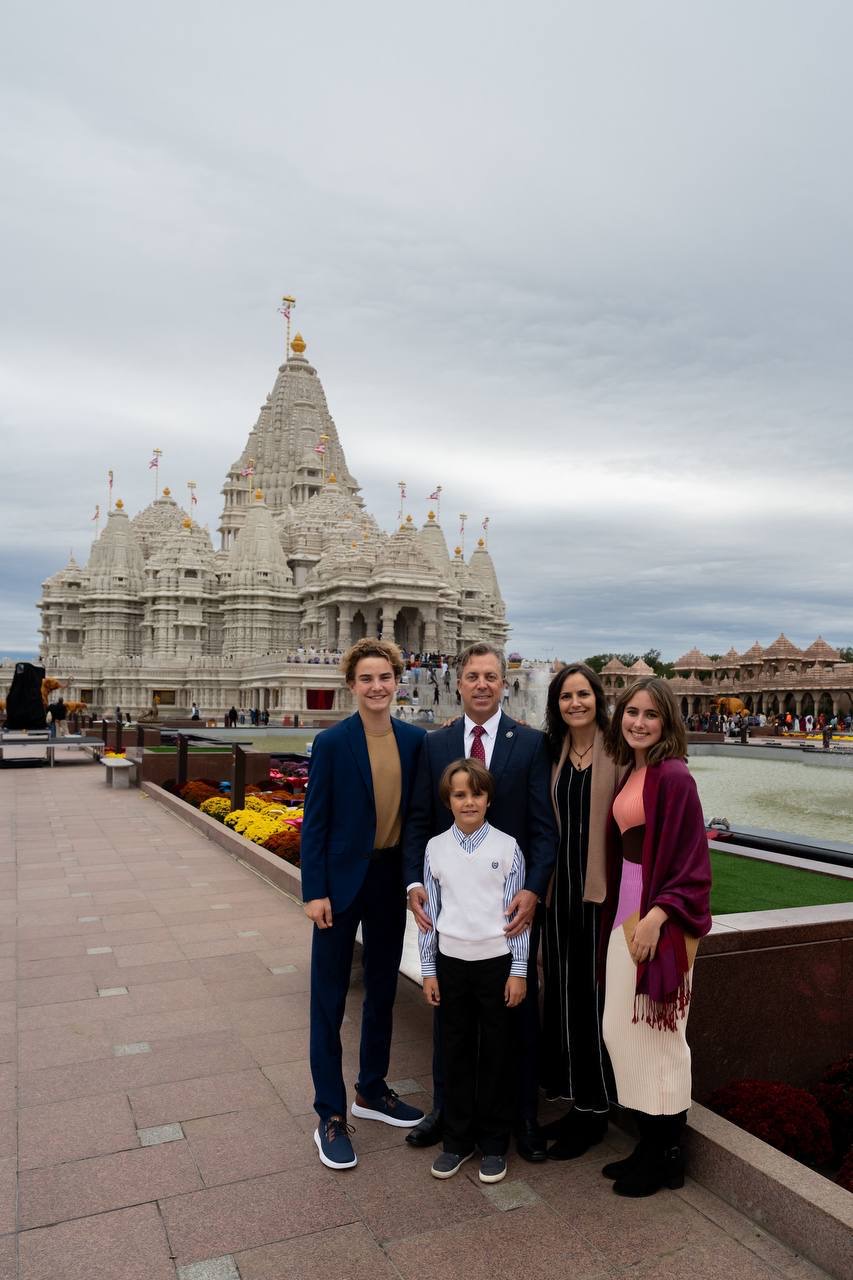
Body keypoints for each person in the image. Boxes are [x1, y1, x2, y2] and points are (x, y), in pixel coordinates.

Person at [403, 642, 557, 1161]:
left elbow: (542, 828)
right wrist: (414, 884)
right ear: (460, 682)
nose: (483, 684)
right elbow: (420, 824)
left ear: (504, 683)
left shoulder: (529, 743)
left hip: (509, 911)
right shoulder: (435, 744)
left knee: (515, 1018)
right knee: (452, 1022)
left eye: (492, 675)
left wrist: (534, 889)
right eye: (473, 676)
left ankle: (523, 1118)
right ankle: (449, 1112)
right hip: (454, 914)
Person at [301, 638, 426, 1171]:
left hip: (386, 878)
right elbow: (316, 822)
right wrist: (314, 891)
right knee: (328, 1000)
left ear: (397, 682)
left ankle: (371, 1091)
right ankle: (330, 1113)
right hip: (340, 881)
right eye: (367, 678)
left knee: (381, 989)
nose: (377, 687)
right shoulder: (332, 744)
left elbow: (420, 817)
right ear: (352, 685)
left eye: (386, 677)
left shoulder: (415, 741)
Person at [600, 677, 711, 1198]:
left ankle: (668, 1156)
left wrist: (659, 915)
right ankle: (649, 1145)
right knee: (621, 1034)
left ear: (667, 721)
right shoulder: (635, 770)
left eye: (650, 714)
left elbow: (692, 860)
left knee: (660, 1041)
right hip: (624, 916)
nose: (638, 721)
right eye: (631, 712)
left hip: (656, 924)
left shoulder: (674, 777)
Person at [419, 759, 529, 1184]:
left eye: (477, 794)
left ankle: (494, 1143)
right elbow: (429, 913)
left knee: (497, 1053)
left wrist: (517, 970)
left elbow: (519, 918)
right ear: (448, 800)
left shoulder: (507, 847)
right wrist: (429, 970)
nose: (469, 802)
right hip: (450, 965)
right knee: (455, 1051)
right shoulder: (435, 849)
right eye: (460, 795)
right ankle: (457, 1140)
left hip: (496, 964)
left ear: (488, 799)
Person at [540, 663, 623, 1159]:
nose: (576, 703)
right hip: (558, 893)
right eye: (566, 696)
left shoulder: (618, 752)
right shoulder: (555, 752)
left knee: (592, 998)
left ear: (598, 698)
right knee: (563, 996)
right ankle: (575, 1100)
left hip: (599, 893)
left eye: (584, 694)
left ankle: (596, 1110)